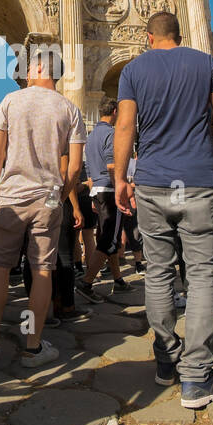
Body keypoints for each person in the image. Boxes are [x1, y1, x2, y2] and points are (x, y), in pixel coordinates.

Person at [114, 11, 213, 410]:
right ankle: (196, 376)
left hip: (154, 183)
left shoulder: (133, 70)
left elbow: (125, 127)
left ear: (148, 37)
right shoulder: (205, 63)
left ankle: (166, 356)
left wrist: (122, 178)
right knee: (203, 278)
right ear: (179, 35)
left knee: (157, 273)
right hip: (198, 182)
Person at [0, 45, 85, 368]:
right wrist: (60, 196)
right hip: (48, 196)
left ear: (38, 69)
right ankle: (33, 347)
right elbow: (75, 167)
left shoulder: (11, 100)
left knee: (0, 267)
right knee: (42, 270)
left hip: (11, 195)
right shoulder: (70, 109)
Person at [77, 99, 129, 301]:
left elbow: (88, 169)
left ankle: (118, 279)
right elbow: (111, 165)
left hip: (96, 189)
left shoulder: (91, 137)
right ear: (115, 112)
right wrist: (123, 186)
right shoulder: (111, 133)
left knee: (107, 234)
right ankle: (87, 281)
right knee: (109, 238)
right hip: (109, 189)